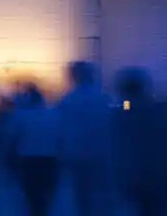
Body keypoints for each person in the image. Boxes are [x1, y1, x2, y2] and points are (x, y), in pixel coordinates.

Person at [112, 68, 167, 216]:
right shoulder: (158, 110)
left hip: (135, 175)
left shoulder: (125, 110)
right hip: (156, 176)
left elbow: (124, 109)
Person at [57, 61, 114, 216]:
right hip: (101, 152)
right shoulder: (104, 98)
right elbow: (119, 112)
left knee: (82, 194)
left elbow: (59, 129)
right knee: (103, 192)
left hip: (75, 153)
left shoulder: (67, 100)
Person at [7, 84, 61, 216]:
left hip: (27, 159)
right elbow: (61, 138)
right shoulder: (54, 115)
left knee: (31, 193)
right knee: (46, 192)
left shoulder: (21, 116)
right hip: (50, 159)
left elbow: (12, 138)